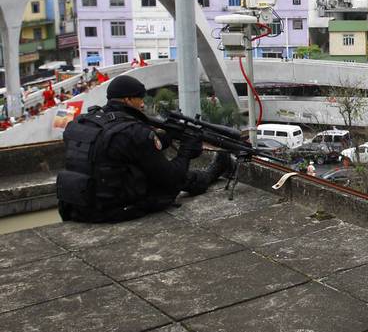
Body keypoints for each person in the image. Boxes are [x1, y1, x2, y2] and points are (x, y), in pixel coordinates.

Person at [56, 75, 234, 223]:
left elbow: (117, 151)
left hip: (78, 206)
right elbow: (171, 178)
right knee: (177, 177)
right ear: (127, 100)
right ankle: (213, 172)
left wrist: (166, 137)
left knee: (148, 169)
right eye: (139, 98)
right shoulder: (133, 131)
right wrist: (186, 151)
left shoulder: (83, 122)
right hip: (112, 210)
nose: (142, 104)